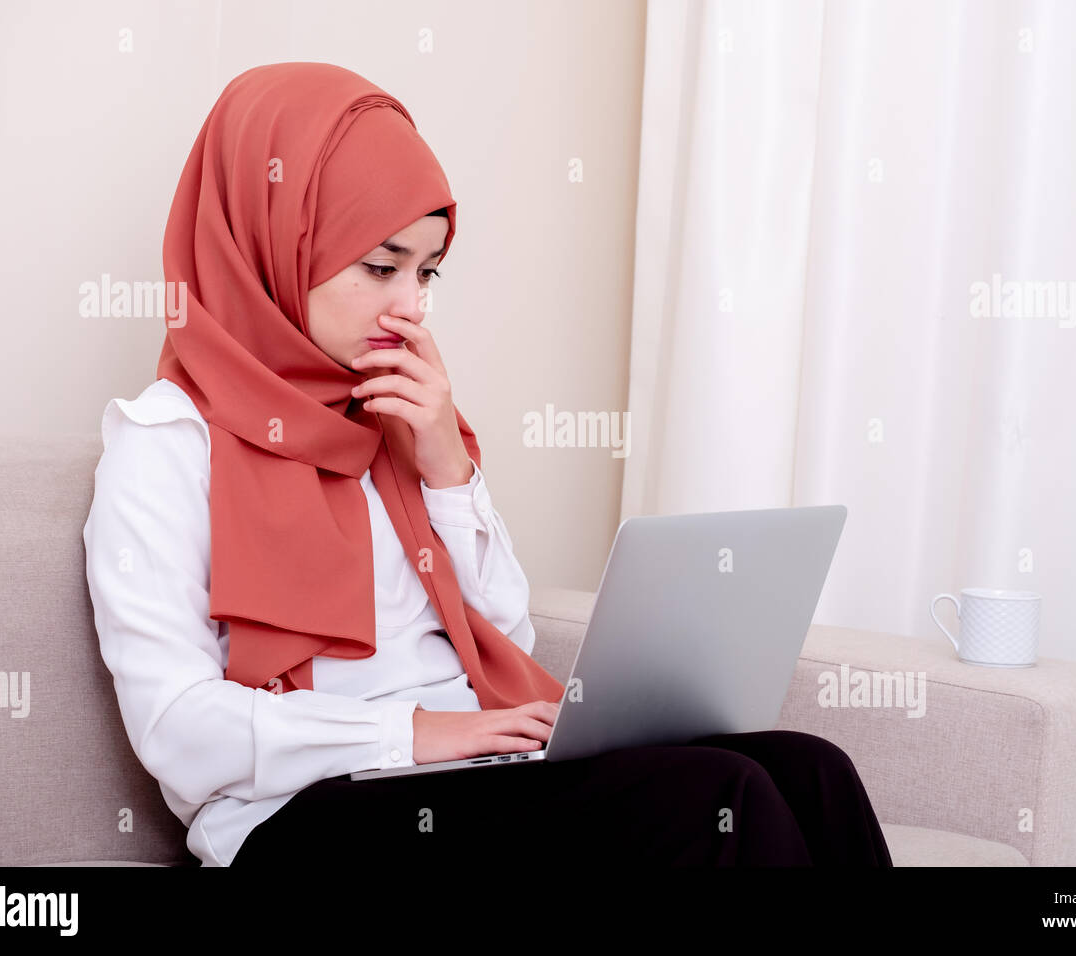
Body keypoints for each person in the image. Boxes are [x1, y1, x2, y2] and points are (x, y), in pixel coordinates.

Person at [82, 61, 893, 868]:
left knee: (813, 771)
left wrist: (445, 469)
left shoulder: (392, 419)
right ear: (272, 239)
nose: (411, 306)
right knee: (723, 798)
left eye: (426, 272)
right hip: (304, 817)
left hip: (470, 777)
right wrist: (415, 733)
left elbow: (502, 644)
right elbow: (174, 726)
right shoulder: (165, 446)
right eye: (380, 266)